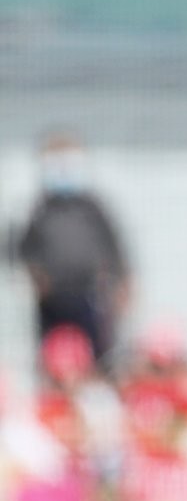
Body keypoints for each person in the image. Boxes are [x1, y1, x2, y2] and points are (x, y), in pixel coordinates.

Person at [19, 129, 131, 367]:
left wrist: (121, 283)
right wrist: (36, 277)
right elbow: (26, 250)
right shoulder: (41, 209)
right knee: (54, 353)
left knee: (97, 353)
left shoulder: (93, 207)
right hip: (53, 299)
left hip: (91, 295)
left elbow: (114, 247)